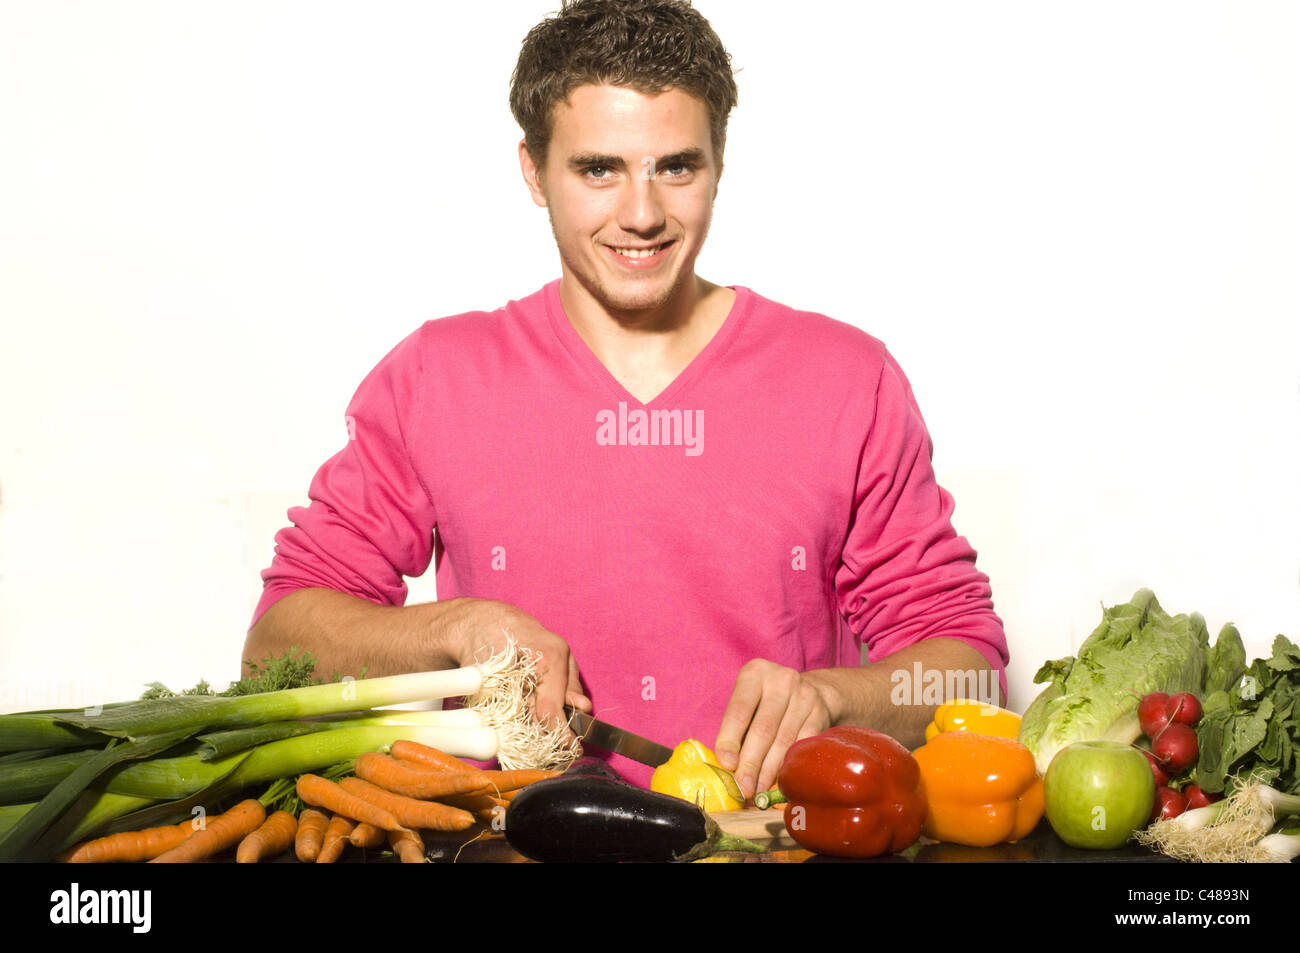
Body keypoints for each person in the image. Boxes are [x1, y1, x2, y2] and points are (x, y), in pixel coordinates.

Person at [245, 0, 1009, 796]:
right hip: (508, 844)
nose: (642, 215)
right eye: (598, 168)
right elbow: (275, 645)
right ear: (534, 172)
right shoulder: (437, 376)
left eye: (676, 166)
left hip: (765, 844)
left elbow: (971, 670)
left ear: (720, 162)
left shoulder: (847, 379)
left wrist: (832, 697)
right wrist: (454, 628)